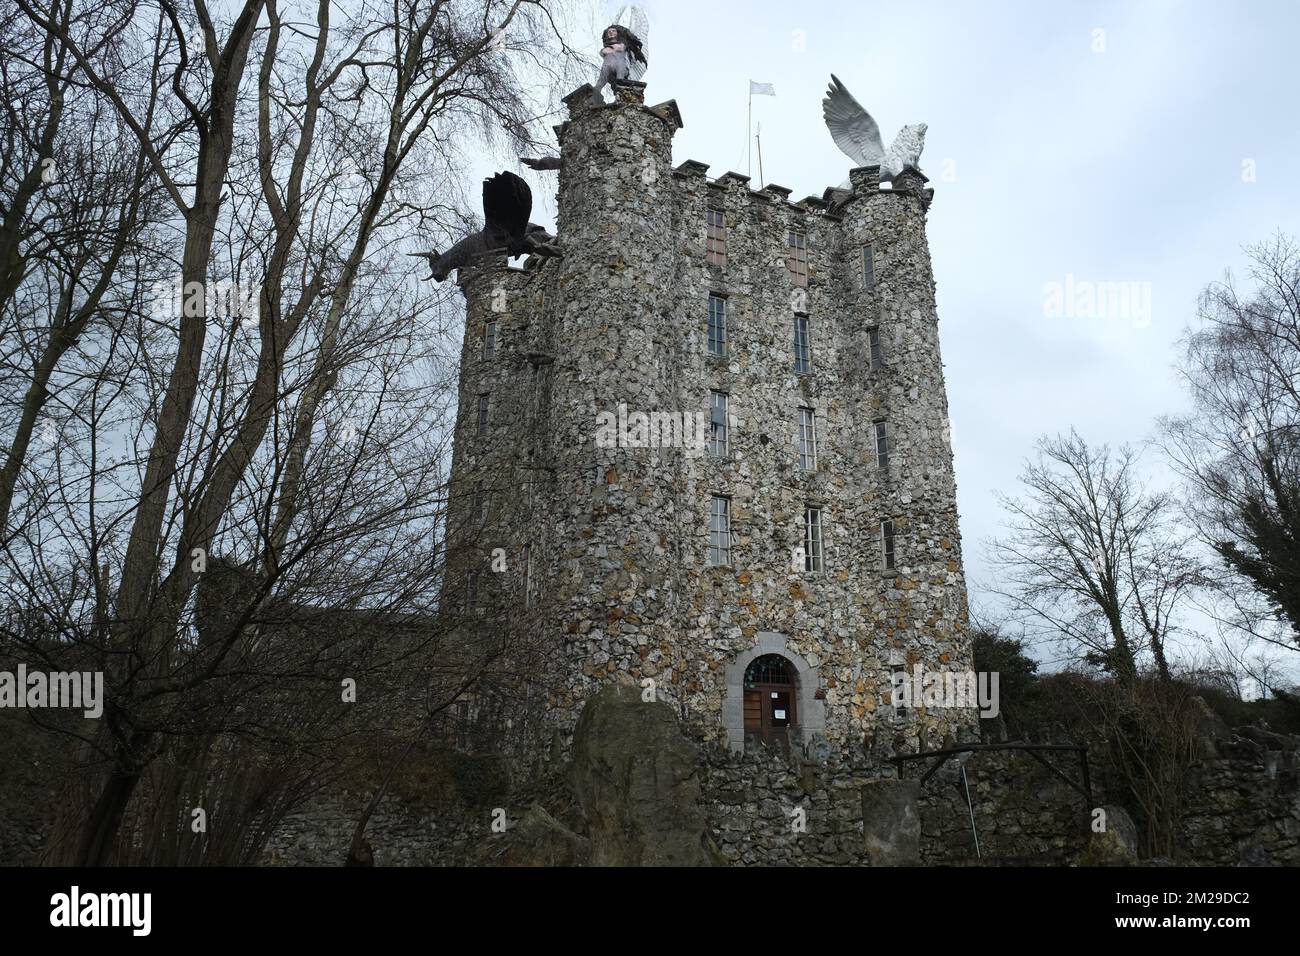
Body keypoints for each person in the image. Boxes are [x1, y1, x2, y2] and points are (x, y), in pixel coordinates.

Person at [591, 24, 646, 104]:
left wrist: (610, 49)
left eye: (613, 31)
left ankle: (620, 99)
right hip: (607, 65)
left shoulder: (623, 44)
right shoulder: (607, 47)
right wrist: (610, 49)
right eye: (609, 32)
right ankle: (593, 98)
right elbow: (603, 52)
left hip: (620, 64)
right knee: (601, 82)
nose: (611, 32)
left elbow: (618, 48)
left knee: (620, 82)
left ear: (617, 33)